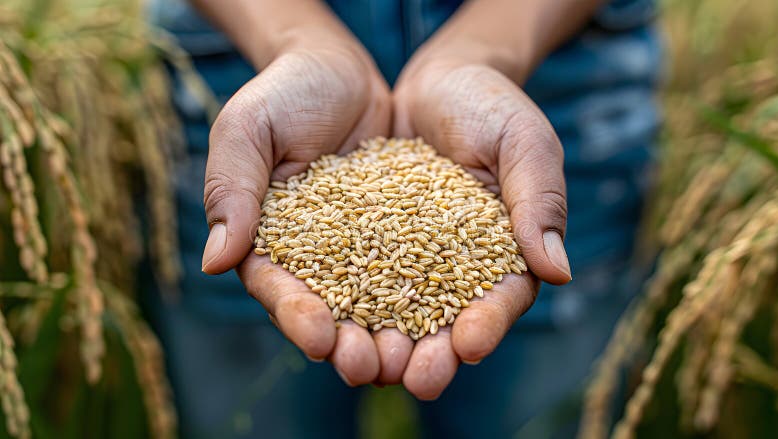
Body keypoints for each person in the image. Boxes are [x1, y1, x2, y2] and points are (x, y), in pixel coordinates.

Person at [148, 0, 661, 437]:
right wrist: (295, 37)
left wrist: (485, 47)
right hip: (236, 63)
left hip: (562, 77)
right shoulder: (299, 213)